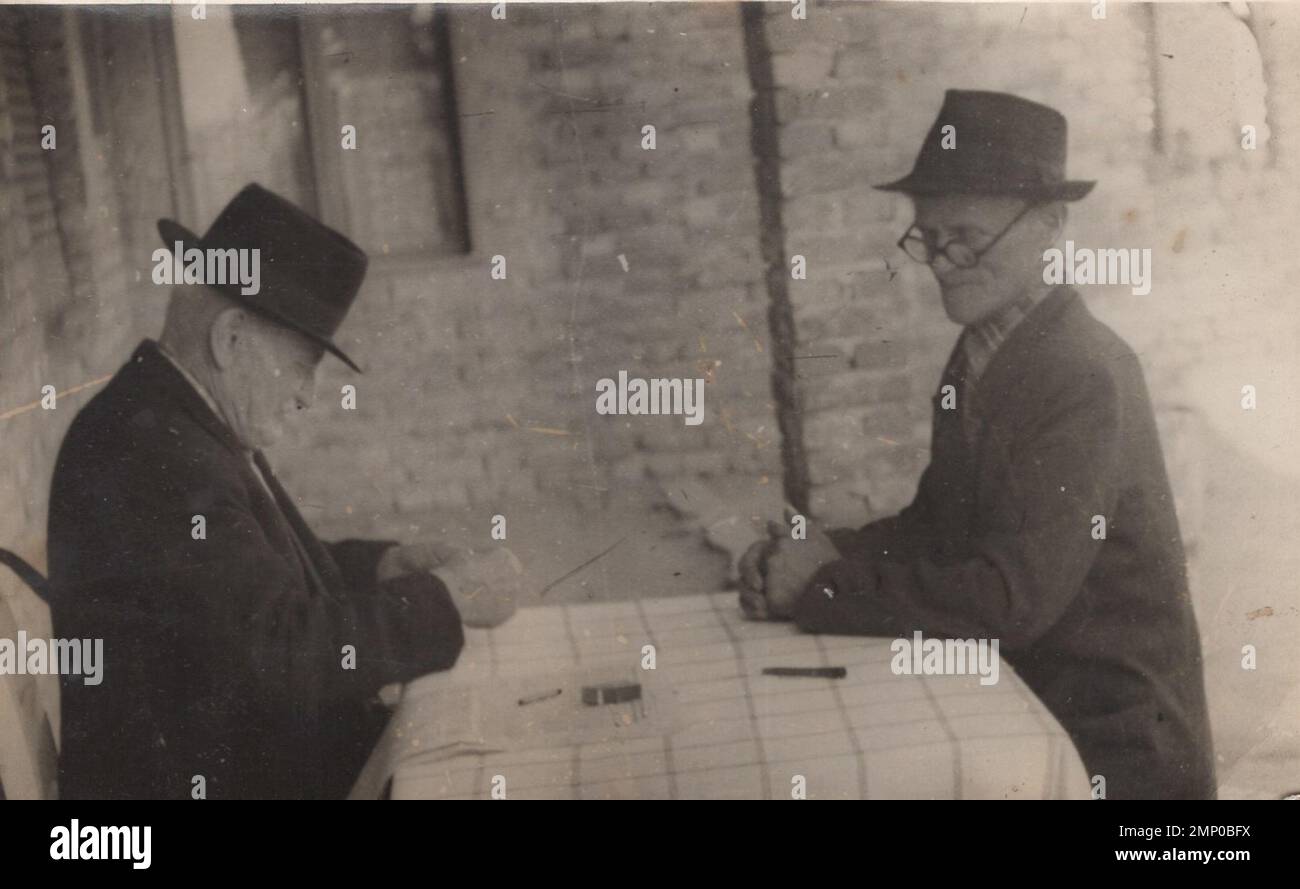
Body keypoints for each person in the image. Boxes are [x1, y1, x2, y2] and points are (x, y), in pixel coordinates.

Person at [739, 91, 1216, 800]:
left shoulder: (1083, 374)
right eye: (928, 238)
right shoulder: (984, 350)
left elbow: (1008, 596)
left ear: (1051, 226)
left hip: (1118, 753)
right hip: (1030, 704)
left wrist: (819, 586)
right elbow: (938, 529)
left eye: (966, 235)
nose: (942, 261)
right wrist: (818, 550)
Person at [48, 183, 527, 799]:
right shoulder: (149, 452)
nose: (306, 396)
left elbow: (245, 583)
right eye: (303, 367)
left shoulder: (169, 421)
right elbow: (278, 657)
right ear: (231, 339)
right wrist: (444, 601)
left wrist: (383, 566)